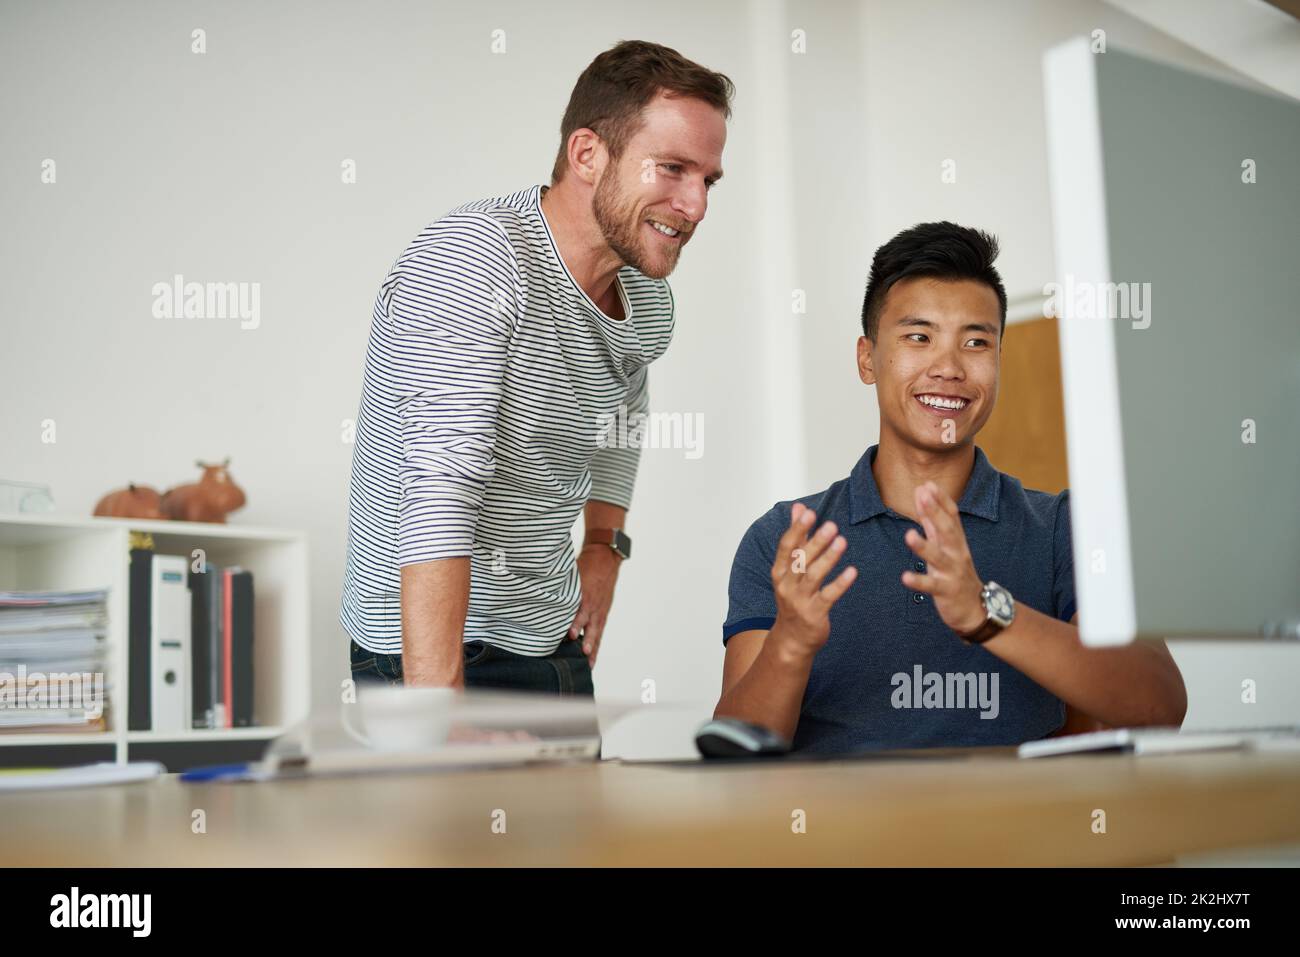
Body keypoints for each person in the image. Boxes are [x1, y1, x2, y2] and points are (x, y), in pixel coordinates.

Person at [342, 40, 732, 693]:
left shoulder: (648, 297)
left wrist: (605, 544)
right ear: (587, 154)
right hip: (423, 647)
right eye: (671, 169)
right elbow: (439, 488)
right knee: (453, 801)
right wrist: (437, 710)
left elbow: (624, 404)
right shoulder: (474, 263)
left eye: (707, 180)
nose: (695, 206)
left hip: (549, 637)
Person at [715, 222, 1187, 751]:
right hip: (838, 832)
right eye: (919, 337)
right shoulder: (787, 536)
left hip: (1018, 829)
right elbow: (736, 750)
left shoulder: (1064, 528)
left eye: (976, 342)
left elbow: (1160, 703)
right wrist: (791, 644)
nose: (949, 368)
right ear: (867, 358)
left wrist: (988, 614)